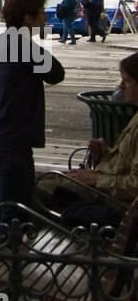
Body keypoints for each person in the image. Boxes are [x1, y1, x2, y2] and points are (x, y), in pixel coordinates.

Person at [0, 0, 65, 250]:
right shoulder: (24, 47)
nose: (45, 19)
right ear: (27, 18)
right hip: (12, 142)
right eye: (40, 14)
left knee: (2, 209)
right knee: (13, 215)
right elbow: (57, 73)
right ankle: (4, 277)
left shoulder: (3, 40)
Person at [34, 54, 138, 229]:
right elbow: (127, 162)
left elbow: (134, 184)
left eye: (127, 81)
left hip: (111, 200)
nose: (121, 86)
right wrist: (104, 153)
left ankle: (21, 248)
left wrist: (96, 179)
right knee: (31, 177)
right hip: (104, 189)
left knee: (33, 185)